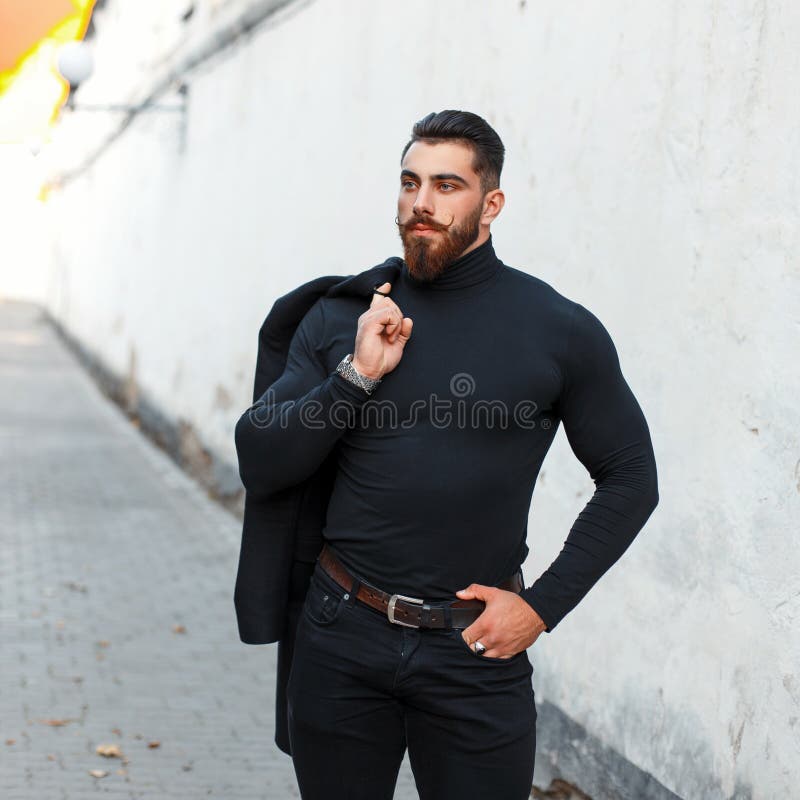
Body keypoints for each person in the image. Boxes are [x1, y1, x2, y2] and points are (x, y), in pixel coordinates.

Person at [234, 110, 659, 800]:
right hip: (343, 632)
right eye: (409, 182)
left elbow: (631, 476)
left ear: (491, 203)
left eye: (446, 185)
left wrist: (542, 607)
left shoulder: (557, 329)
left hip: (475, 652)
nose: (421, 203)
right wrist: (356, 376)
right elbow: (262, 458)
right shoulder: (347, 317)